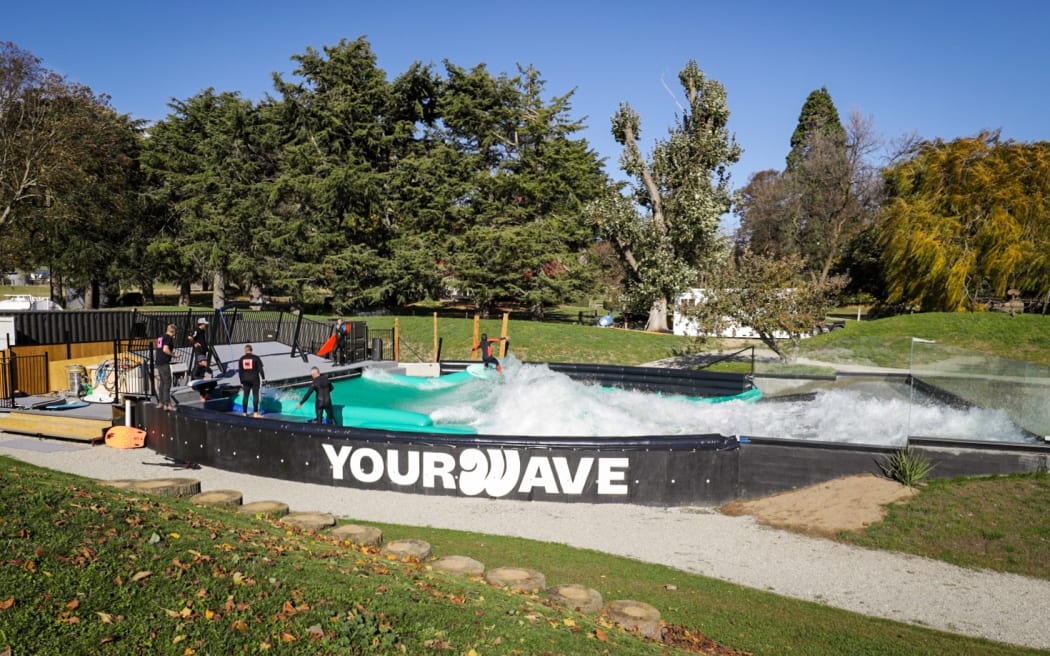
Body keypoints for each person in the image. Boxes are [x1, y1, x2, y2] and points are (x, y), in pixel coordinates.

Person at [154, 323, 179, 410]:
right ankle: (167, 404)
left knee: (162, 383)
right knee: (167, 383)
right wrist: (173, 355)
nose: (175, 334)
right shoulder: (168, 338)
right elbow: (165, 349)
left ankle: (161, 403)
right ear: (173, 331)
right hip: (164, 362)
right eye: (175, 332)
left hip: (158, 362)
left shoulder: (161, 337)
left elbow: (159, 349)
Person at [237, 344, 265, 418]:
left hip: (245, 380)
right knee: (255, 396)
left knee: (245, 396)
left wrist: (241, 381)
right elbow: (260, 369)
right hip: (255, 379)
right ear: (251, 350)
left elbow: (240, 371)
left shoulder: (241, 359)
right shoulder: (256, 358)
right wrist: (263, 378)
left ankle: (244, 412)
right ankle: (255, 413)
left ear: (245, 350)